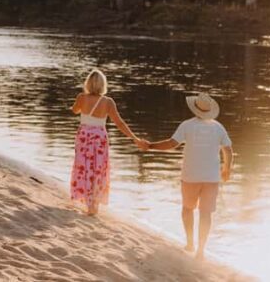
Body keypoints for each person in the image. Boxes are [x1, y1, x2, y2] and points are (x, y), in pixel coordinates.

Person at [137, 92, 233, 260]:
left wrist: (150, 146)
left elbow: (171, 144)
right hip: (211, 178)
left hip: (191, 176)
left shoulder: (187, 125)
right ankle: (201, 251)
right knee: (206, 213)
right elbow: (228, 150)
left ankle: (190, 242)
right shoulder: (218, 127)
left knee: (187, 209)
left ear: (195, 108)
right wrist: (227, 169)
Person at [70, 69, 142, 215]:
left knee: (84, 167)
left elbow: (74, 110)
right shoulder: (108, 102)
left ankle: (87, 201)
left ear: (88, 84)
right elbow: (120, 123)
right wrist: (135, 138)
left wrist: (81, 106)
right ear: (103, 85)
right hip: (100, 138)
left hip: (84, 136)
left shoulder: (81, 97)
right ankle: (94, 205)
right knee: (98, 169)